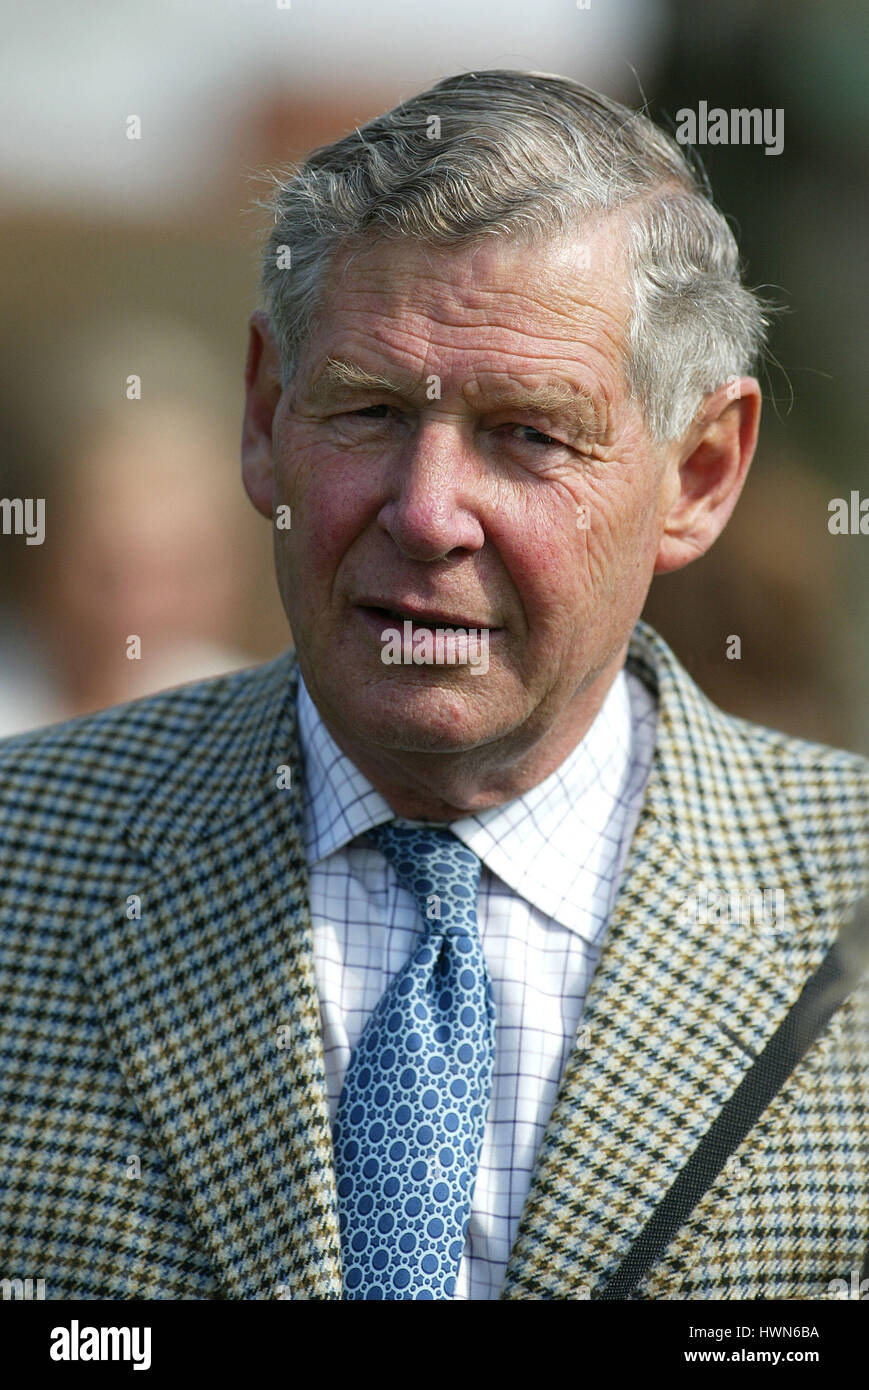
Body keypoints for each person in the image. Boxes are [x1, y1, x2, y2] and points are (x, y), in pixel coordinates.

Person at [0, 70, 866, 1302]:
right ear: (263, 411)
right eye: (366, 410)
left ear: (699, 473)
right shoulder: (24, 864)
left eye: (527, 432)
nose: (423, 511)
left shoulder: (843, 903)